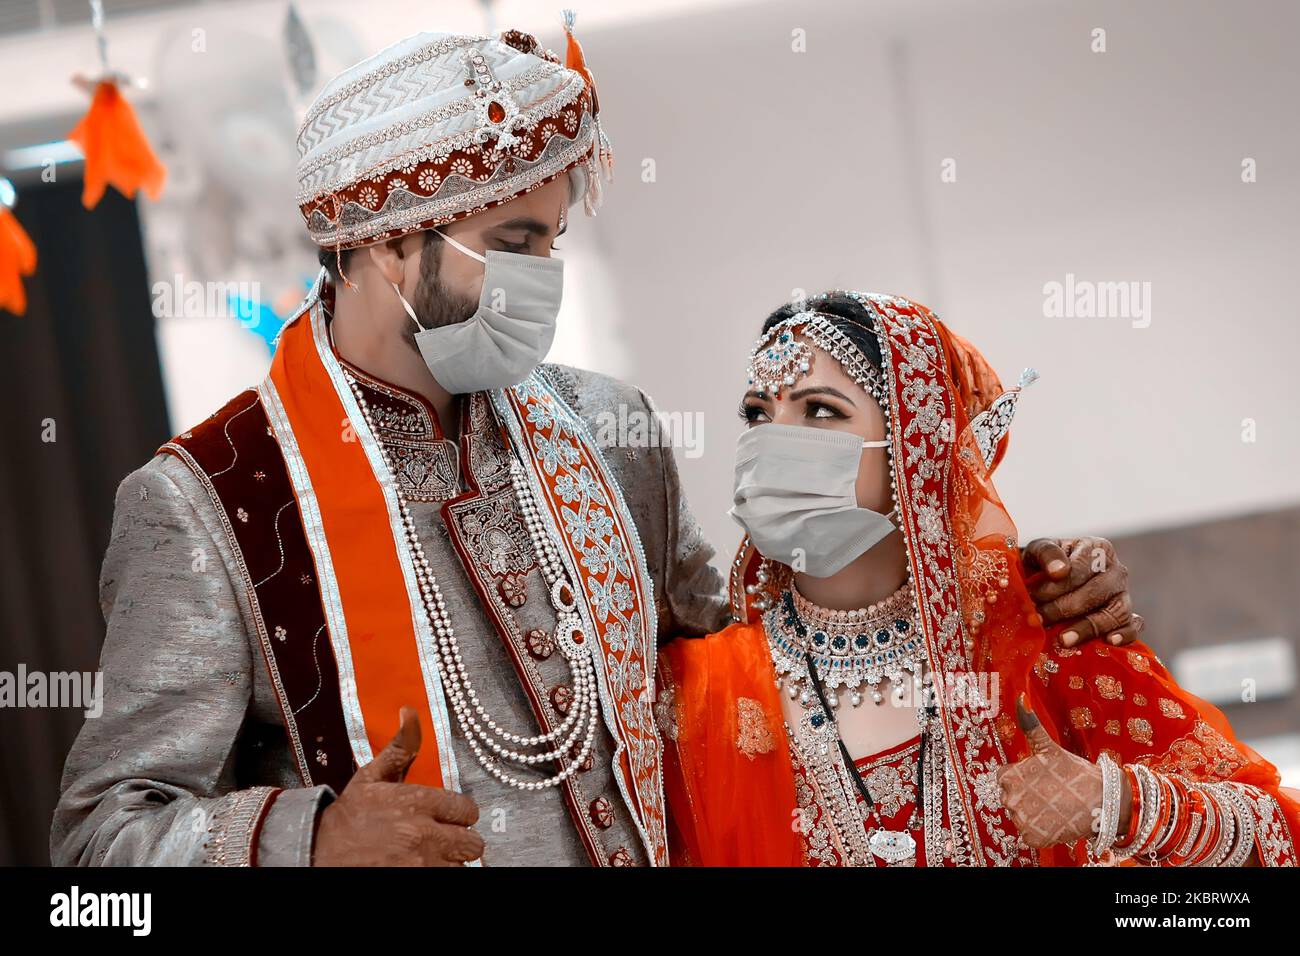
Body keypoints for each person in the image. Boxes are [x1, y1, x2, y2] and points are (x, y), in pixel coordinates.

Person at [51, 24, 1138, 868]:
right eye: (512, 241)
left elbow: (746, 675)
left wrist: (1005, 592)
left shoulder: (608, 428)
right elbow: (101, 843)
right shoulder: (214, 500)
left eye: (552, 241)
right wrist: (310, 837)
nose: (544, 278)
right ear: (385, 237)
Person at [657, 290, 1300, 867]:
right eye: (756, 415)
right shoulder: (689, 696)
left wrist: (1120, 805)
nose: (775, 442)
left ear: (919, 442)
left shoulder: (1044, 642)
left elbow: (1276, 849)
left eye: (821, 411)